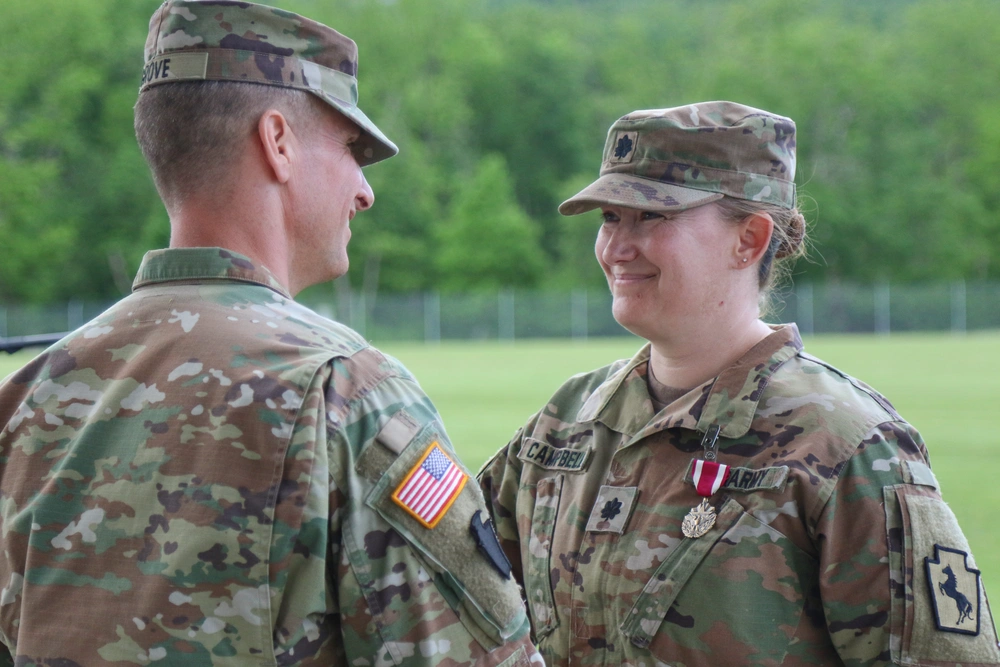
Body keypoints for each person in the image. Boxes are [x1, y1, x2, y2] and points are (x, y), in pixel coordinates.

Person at [0, 2, 540, 665]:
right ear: (278, 142)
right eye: (351, 149)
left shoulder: (28, 399)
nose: (365, 190)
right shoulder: (345, 393)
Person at [478, 101, 1000, 666]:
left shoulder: (847, 446)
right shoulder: (567, 422)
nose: (616, 248)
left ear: (749, 239)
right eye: (609, 217)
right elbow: (457, 601)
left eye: (650, 216)